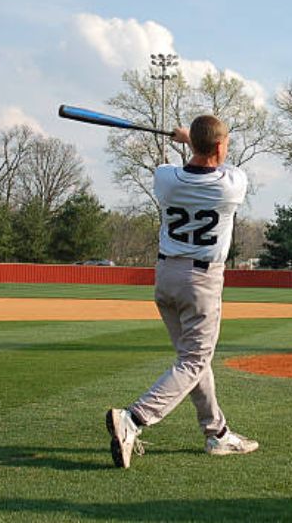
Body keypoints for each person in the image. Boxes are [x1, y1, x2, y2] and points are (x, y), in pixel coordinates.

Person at [106, 114, 258, 469]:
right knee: (193, 361)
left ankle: (216, 433)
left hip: (165, 276)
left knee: (193, 361)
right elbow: (220, 162)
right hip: (201, 282)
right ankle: (134, 419)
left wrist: (191, 141)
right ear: (220, 146)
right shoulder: (231, 184)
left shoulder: (165, 178)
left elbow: (194, 162)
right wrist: (193, 139)